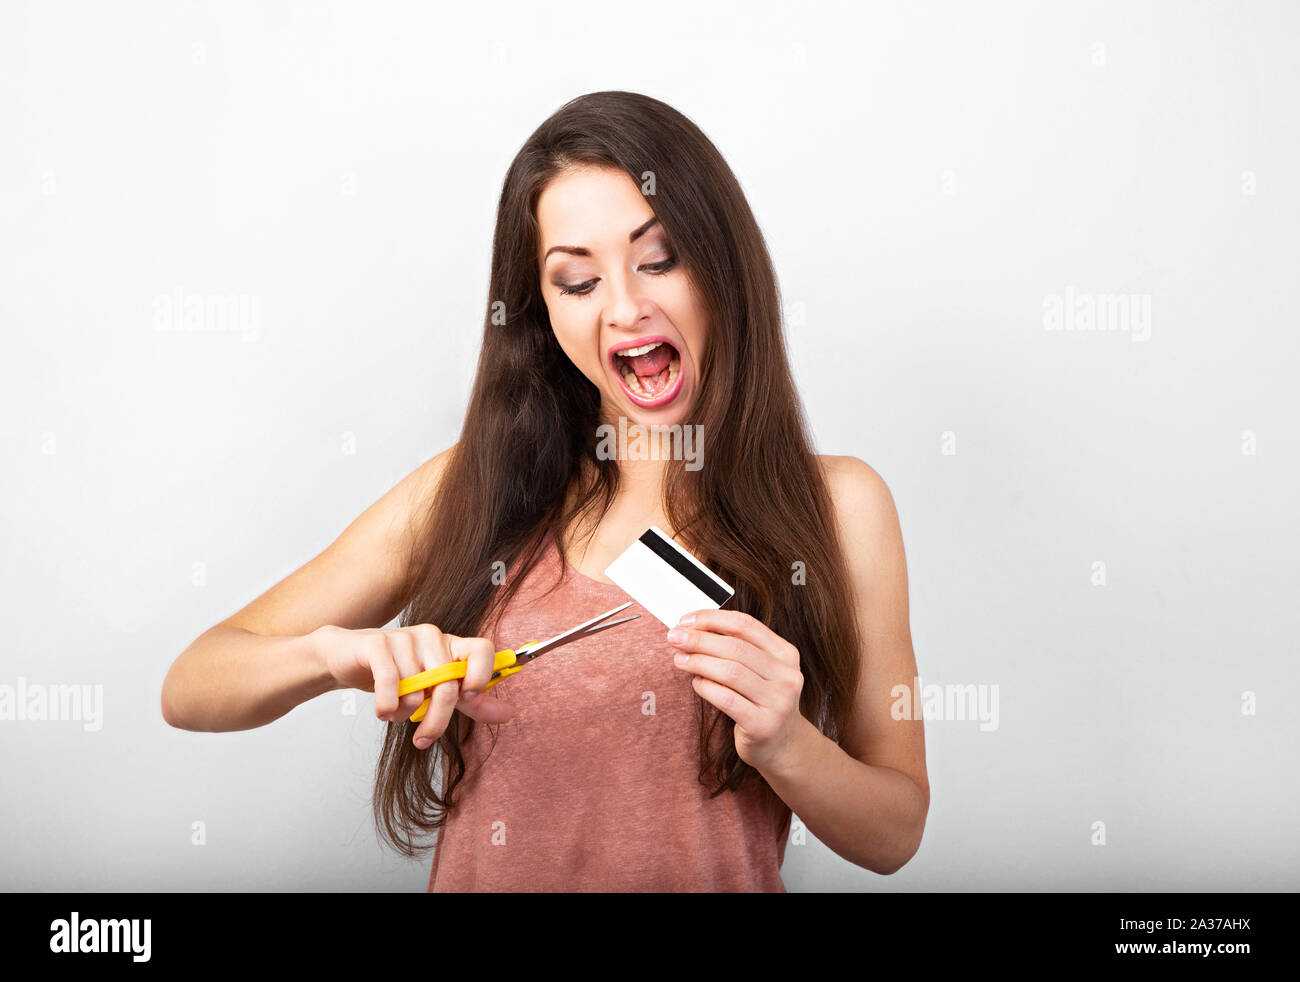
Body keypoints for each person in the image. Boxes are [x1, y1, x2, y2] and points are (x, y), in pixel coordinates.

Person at [161, 90, 929, 891]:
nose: (627, 308)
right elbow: (192, 684)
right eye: (576, 280)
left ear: (722, 264)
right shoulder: (475, 486)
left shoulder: (841, 507)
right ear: (541, 310)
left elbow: (895, 831)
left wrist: (791, 748)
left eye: (659, 259)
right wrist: (334, 655)